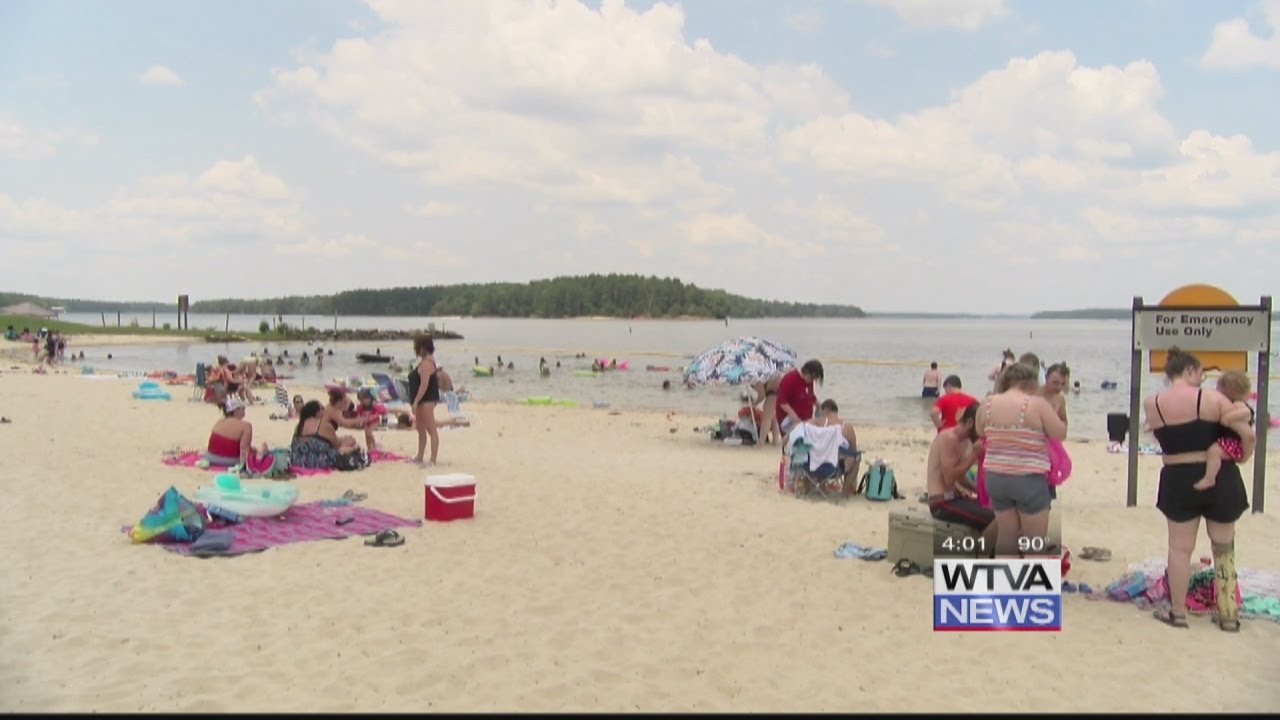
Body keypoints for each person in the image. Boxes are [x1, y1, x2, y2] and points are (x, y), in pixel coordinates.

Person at [1143, 348, 1253, 631]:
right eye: (1201, 374)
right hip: (1221, 477)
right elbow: (1246, 433)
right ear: (1190, 370)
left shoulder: (1152, 403)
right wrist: (1243, 453)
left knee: (1179, 549)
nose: (1202, 379)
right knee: (1223, 546)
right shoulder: (1213, 398)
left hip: (1177, 477)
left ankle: (1178, 613)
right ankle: (1228, 615)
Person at [975, 363, 1065, 559]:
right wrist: (1054, 413)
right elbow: (1060, 433)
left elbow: (980, 431)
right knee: (1034, 543)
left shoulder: (988, 403)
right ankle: (1031, 587)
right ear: (1031, 382)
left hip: (996, 477)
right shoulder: (1036, 404)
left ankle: (1005, 585)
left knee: (1006, 537)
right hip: (1028, 478)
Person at [927, 403, 997, 552]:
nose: (982, 432)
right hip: (941, 503)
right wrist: (973, 456)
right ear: (971, 422)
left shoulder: (964, 441)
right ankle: (981, 555)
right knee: (994, 519)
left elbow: (959, 475)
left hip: (955, 498)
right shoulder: (949, 438)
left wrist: (977, 489)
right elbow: (950, 478)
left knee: (998, 512)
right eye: (981, 427)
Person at [1194, 371, 1255, 492]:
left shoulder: (1238, 404)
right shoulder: (1230, 404)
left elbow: (1247, 413)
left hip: (1234, 444)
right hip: (1230, 442)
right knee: (1214, 451)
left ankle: (1209, 478)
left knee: (1214, 451)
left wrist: (1228, 418)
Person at [805, 399, 862, 490]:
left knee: (815, 451)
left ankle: (811, 488)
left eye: (821, 412)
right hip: (836, 468)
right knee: (857, 457)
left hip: (813, 465)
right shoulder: (846, 428)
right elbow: (853, 450)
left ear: (825, 410)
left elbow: (802, 428)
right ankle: (845, 492)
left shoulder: (816, 424)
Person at [290, 400, 360, 469]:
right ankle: (354, 448)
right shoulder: (323, 425)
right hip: (318, 462)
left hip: (297, 460)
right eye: (322, 408)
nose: (324, 410)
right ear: (317, 412)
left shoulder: (299, 425)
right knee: (351, 446)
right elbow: (335, 446)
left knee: (347, 441)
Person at [409, 334, 441, 467]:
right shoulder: (426, 361)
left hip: (426, 400)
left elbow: (424, 384)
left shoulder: (427, 363)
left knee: (431, 429)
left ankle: (433, 460)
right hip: (422, 400)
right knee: (420, 429)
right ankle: (420, 456)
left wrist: (416, 401)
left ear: (422, 348)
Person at [206, 397, 264, 467]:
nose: (244, 410)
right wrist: (243, 467)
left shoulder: (220, 422)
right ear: (236, 410)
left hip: (210, 457)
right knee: (262, 449)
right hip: (229, 461)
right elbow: (244, 450)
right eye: (243, 408)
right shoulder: (246, 426)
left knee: (253, 449)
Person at [775, 360, 823, 436]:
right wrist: (792, 414)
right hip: (789, 420)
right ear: (806, 371)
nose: (812, 380)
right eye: (812, 377)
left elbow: (810, 395)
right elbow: (782, 401)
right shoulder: (790, 379)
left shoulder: (809, 381)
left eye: (814, 379)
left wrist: (819, 406)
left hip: (806, 421)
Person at [323, 387, 370, 452]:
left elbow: (348, 401)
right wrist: (360, 419)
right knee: (351, 442)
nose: (345, 404)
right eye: (344, 402)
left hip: (328, 436)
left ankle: (340, 449)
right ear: (339, 401)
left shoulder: (334, 407)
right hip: (325, 438)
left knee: (351, 440)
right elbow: (345, 423)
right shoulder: (332, 410)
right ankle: (338, 451)